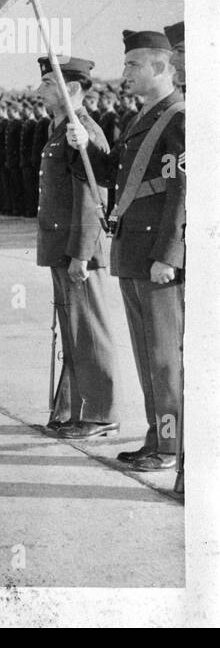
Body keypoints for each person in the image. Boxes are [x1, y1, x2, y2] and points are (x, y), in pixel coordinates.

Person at [89, 30, 185, 472]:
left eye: (133, 65)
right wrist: (84, 145)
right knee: (146, 353)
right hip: (134, 249)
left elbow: (182, 192)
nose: (125, 73)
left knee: (164, 358)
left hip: (156, 256)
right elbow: (118, 174)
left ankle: (171, 446)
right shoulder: (144, 115)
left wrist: (168, 254)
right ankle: (156, 437)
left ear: (161, 67)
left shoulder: (177, 117)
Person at [35, 56, 119, 439]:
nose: (40, 90)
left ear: (70, 90)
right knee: (72, 330)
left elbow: (91, 196)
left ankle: (100, 414)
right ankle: (72, 408)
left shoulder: (81, 130)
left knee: (88, 332)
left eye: (48, 84)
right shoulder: (61, 128)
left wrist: (81, 254)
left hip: (77, 249)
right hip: (62, 245)